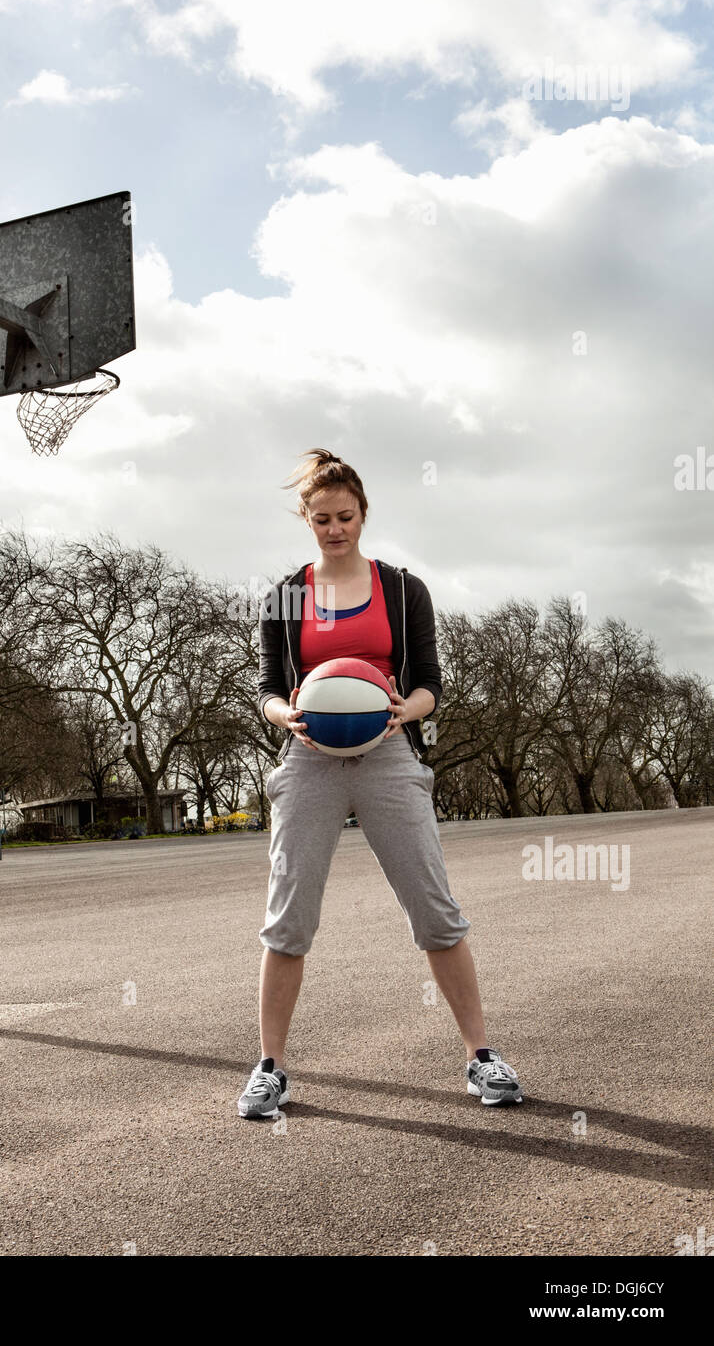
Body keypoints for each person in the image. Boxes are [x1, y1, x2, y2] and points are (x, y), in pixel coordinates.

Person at [237, 449, 523, 1118]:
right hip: (308, 759)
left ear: (363, 514)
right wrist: (288, 714)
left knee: (435, 911)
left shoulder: (401, 588)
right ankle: (270, 1067)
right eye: (320, 519)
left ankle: (482, 1056)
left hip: (390, 752)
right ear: (305, 520)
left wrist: (406, 709)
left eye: (344, 517)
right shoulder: (287, 594)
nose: (334, 529)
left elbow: (430, 680)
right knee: (287, 918)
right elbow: (266, 688)